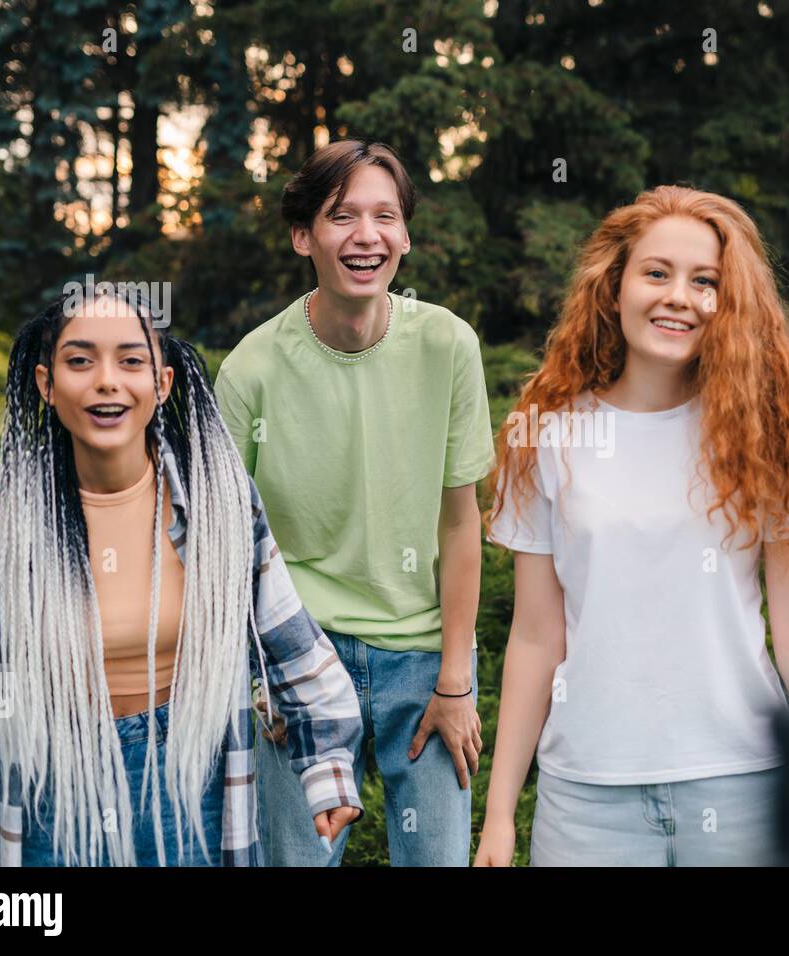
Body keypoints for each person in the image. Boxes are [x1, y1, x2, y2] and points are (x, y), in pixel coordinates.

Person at [474, 185, 789, 867]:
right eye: (657, 272)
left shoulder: (764, 439)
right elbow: (536, 637)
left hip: (745, 782)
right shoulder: (547, 437)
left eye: (705, 281)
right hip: (587, 800)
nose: (678, 296)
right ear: (615, 284)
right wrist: (500, 815)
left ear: (730, 302)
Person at [0, 290, 365, 866]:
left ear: (163, 383)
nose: (106, 381)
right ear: (46, 385)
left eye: (130, 361)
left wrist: (326, 767)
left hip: (192, 780)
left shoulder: (217, 501)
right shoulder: (4, 504)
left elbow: (289, 642)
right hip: (54, 781)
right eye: (80, 361)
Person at [215, 140, 495, 867]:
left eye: (384, 216)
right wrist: (257, 674)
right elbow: (220, 545)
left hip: (423, 661)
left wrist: (456, 681)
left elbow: (461, 522)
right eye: (342, 217)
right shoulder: (251, 369)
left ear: (404, 235)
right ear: (304, 235)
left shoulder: (448, 346)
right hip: (298, 655)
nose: (365, 235)